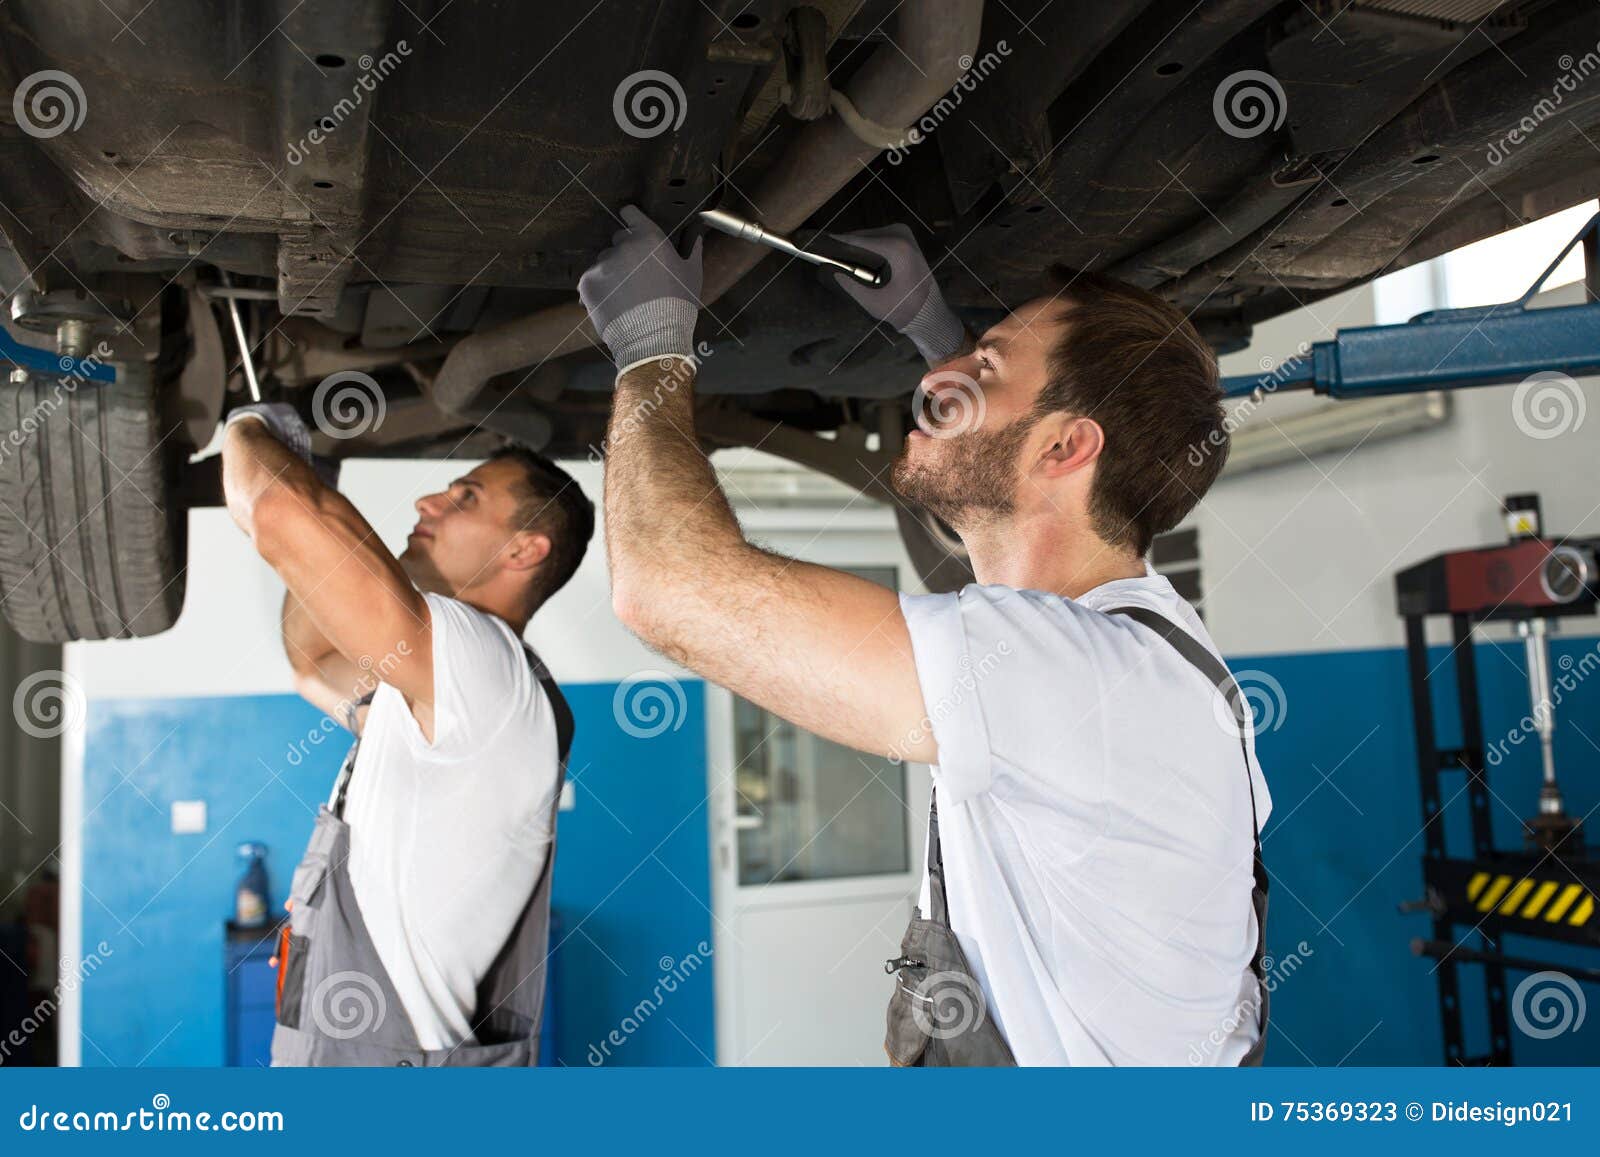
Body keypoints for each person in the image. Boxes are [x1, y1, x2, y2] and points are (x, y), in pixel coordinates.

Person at [579, 207, 1272, 1066]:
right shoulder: (1127, 646)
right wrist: (936, 333)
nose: (942, 377)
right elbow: (1025, 524)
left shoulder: (1082, 677)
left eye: (984, 367)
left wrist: (652, 349)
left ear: (1066, 445)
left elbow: (667, 588)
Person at [221, 409, 593, 1065]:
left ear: (524, 549)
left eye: (466, 497)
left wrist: (250, 425)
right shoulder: (446, 695)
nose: (429, 500)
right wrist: (315, 481)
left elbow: (276, 510)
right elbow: (313, 662)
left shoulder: (483, 666)